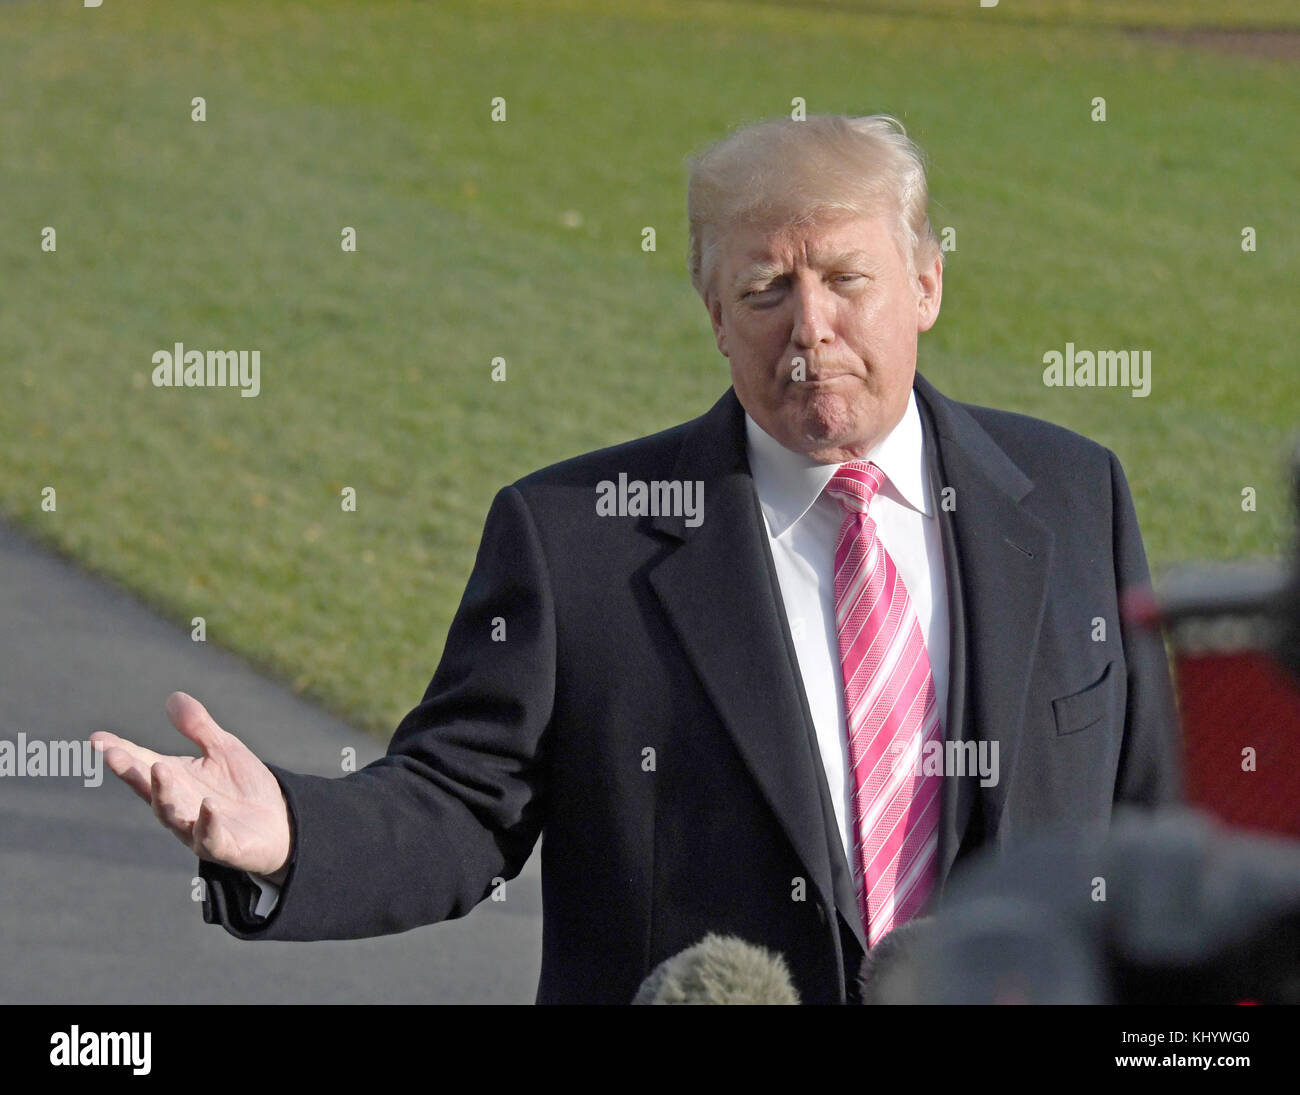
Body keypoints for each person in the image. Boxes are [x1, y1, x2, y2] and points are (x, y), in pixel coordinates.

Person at [93, 114, 1180, 1005]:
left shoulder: (1072, 496)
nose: (809, 329)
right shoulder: (579, 538)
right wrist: (287, 832)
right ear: (713, 312)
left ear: (928, 284)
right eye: (764, 290)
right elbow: (461, 808)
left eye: (847, 278)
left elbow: (1149, 834)